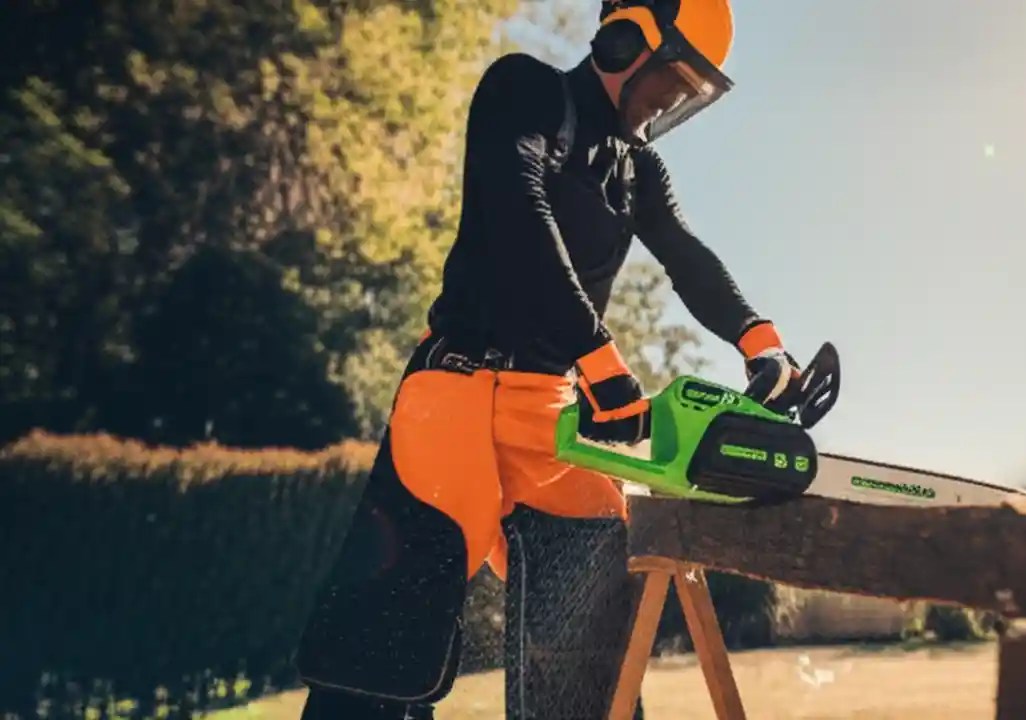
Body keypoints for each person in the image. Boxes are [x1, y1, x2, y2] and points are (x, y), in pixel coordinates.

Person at [292, 1, 805, 718]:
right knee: (381, 646)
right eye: (672, 79)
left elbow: (687, 257)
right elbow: (516, 209)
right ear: (626, 41)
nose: (674, 100)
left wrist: (760, 341)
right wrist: (597, 354)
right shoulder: (523, 92)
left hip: (549, 416)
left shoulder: (639, 172)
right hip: (456, 393)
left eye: (691, 93)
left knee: (595, 627)